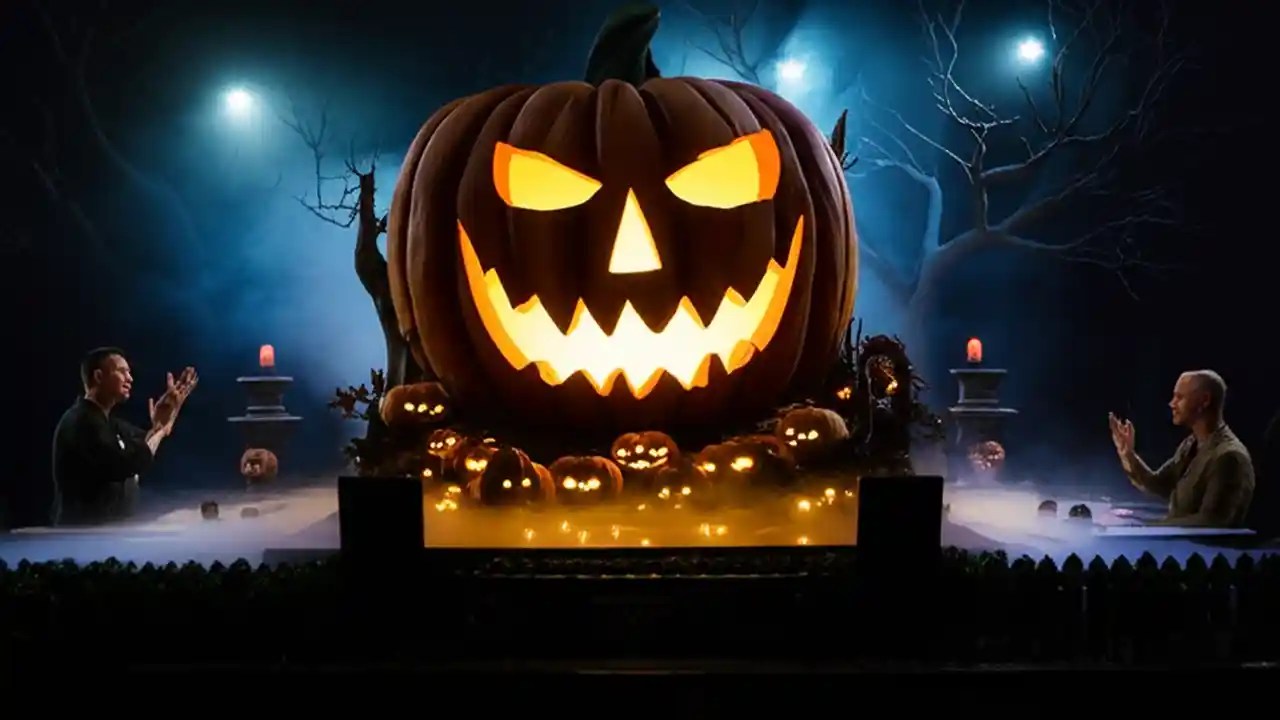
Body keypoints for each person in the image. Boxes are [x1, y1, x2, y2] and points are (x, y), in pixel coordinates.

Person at [51, 347, 198, 525]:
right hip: (84, 540)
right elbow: (130, 462)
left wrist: (163, 422)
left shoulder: (110, 424)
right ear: (98, 377)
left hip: (107, 536)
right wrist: (159, 429)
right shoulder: (82, 422)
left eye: (129, 372)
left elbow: (143, 446)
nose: (130, 378)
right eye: (122, 372)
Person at [1108, 370, 1255, 528]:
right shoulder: (1190, 445)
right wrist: (1128, 454)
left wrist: (1147, 526)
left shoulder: (1229, 457)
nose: (1172, 404)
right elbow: (1158, 484)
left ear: (1204, 400)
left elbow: (1211, 523)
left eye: (1179, 397)